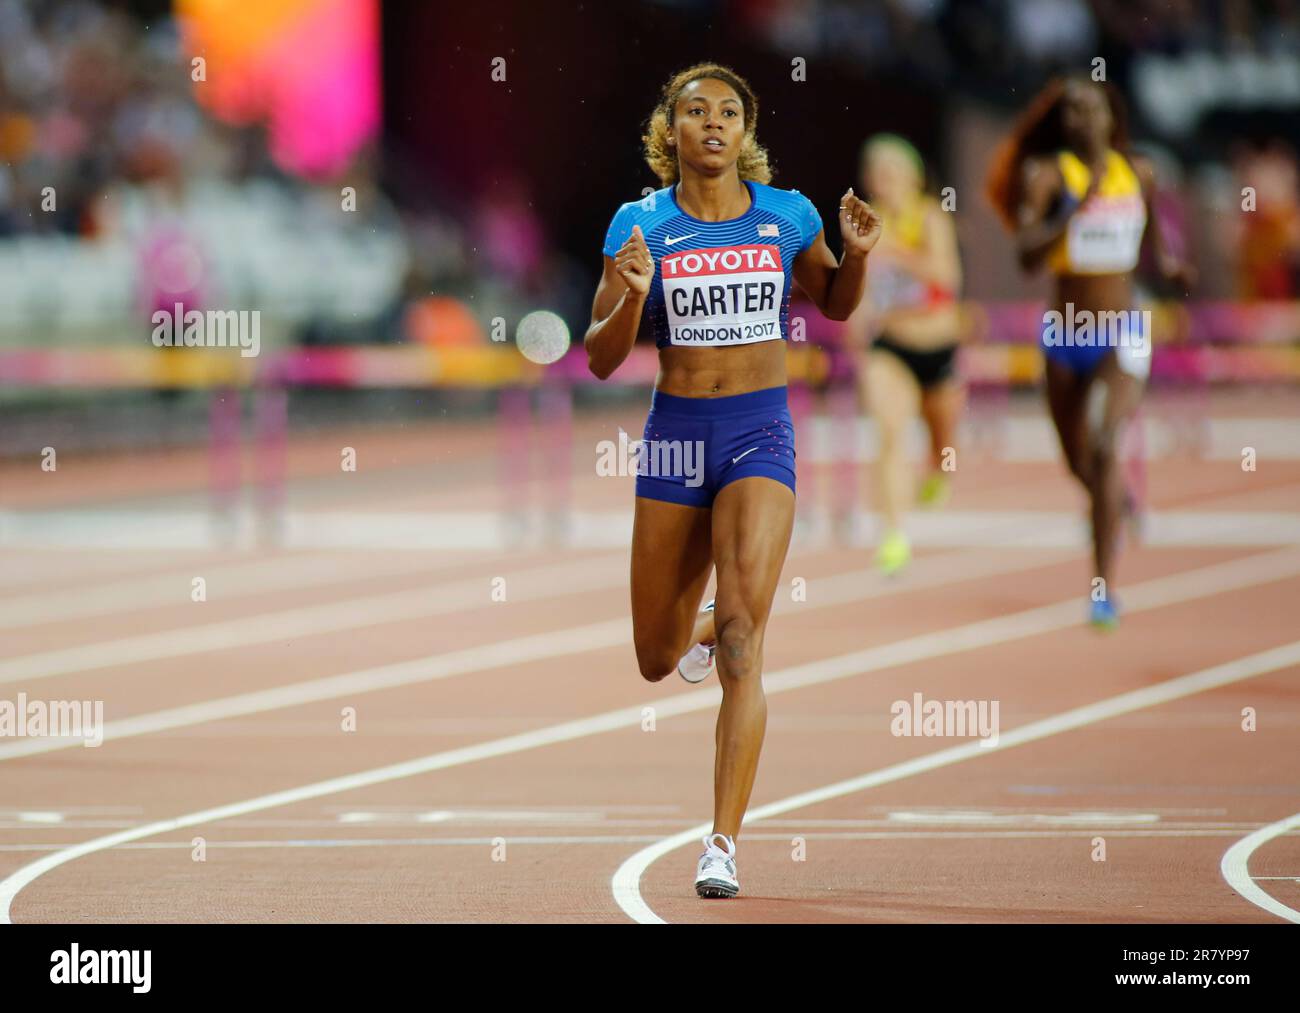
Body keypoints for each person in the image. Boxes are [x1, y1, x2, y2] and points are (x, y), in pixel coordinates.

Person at [584, 63, 880, 897]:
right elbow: (600, 358)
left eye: (728, 112)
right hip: (676, 439)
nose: (712, 123)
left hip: (759, 432)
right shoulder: (639, 225)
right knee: (656, 655)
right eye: (694, 111)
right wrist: (629, 302)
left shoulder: (789, 216)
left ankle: (721, 843)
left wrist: (854, 257)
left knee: (746, 641)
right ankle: (705, 618)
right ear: (668, 131)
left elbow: (837, 305)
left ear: (746, 132)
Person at [986, 76, 1194, 628]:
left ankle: (1102, 589)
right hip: (1064, 334)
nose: (1081, 118)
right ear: (1062, 122)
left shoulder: (1139, 173)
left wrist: (1172, 270)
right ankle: (1116, 500)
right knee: (1077, 459)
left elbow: (1154, 248)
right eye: (1071, 110)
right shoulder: (1048, 175)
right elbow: (1027, 256)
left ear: (1110, 116)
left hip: (1121, 333)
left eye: (1091, 108)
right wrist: (1072, 213)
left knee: (1103, 446)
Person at [845, 134, 963, 575]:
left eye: (893, 172)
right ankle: (893, 534)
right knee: (890, 432)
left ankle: (938, 470)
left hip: (936, 345)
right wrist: (858, 320)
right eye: (878, 173)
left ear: (913, 177)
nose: (885, 181)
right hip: (889, 346)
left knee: (941, 443)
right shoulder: (867, 223)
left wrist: (896, 254)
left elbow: (946, 278)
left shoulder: (929, 217)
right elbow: (863, 289)